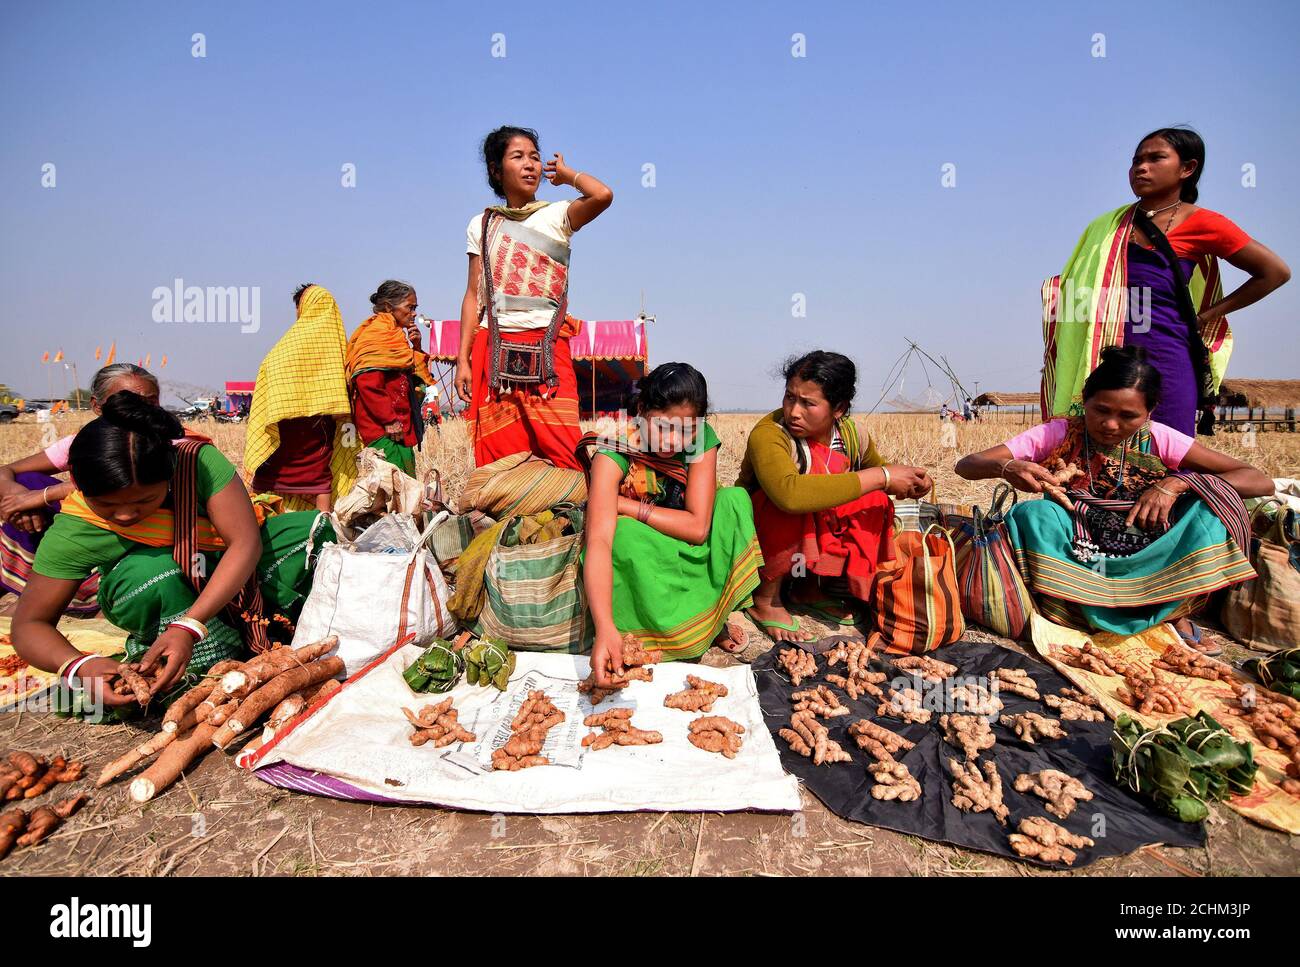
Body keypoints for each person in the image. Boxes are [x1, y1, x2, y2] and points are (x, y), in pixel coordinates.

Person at [11, 393, 333, 704]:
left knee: (314, 532)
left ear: (171, 476)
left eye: (144, 500)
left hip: (224, 574)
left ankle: (281, 628)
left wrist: (190, 624)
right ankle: (187, 665)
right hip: (158, 584)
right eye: (106, 505)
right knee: (159, 570)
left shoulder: (197, 464)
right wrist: (77, 665)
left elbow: (245, 543)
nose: (125, 515)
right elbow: (29, 625)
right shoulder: (76, 528)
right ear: (78, 486)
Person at [957, 346, 1272, 654]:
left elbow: (1260, 480)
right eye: (1101, 410)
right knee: (1032, 514)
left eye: (1128, 416)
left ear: (1149, 412)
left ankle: (1170, 610)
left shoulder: (1159, 438)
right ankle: (1076, 610)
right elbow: (967, 464)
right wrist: (1006, 465)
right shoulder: (1059, 433)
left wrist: (1176, 483)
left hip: (1151, 545)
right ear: (1085, 399)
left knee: (1209, 510)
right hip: (1080, 547)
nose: (1110, 425)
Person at [1042, 127, 1290, 437]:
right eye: (1136, 161)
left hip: (1165, 352)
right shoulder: (1106, 226)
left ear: (1187, 168)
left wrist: (1206, 316)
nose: (1141, 168)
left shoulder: (1203, 222)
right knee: (1093, 450)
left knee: (1166, 448)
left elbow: (1275, 272)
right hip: (1103, 356)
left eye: (1156, 158)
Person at [580, 363, 762, 682]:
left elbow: (697, 528)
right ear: (641, 411)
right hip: (645, 554)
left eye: (686, 430)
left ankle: (707, 622)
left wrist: (632, 507)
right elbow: (599, 541)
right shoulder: (615, 449)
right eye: (661, 427)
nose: (672, 442)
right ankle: (647, 633)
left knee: (734, 501)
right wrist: (604, 628)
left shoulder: (701, 439)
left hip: (686, 540)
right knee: (624, 536)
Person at [736, 351, 932, 642]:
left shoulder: (852, 436)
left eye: (808, 403)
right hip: (761, 529)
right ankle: (767, 599)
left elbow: (878, 474)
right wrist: (883, 476)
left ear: (838, 408)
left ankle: (809, 589)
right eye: (790, 397)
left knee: (874, 501)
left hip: (809, 535)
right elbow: (787, 495)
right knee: (794, 498)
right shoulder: (771, 434)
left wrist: (913, 481)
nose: (794, 411)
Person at [455, 126, 613, 470]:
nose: (530, 165)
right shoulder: (481, 224)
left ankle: (571, 514)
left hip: (547, 346)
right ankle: (505, 518)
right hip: (493, 348)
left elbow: (602, 195)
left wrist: (569, 176)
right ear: (496, 171)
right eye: (518, 157)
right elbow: (473, 295)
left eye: (535, 157)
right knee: (501, 456)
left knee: (564, 451)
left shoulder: (557, 215)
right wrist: (463, 358)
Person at [0, 363, 160, 614]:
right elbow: (4, 472)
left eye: (150, 402)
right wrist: (19, 496)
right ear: (97, 406)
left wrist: (45, 495)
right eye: (126, 401)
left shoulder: (168, 443)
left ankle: (82, 596)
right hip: (87, 531)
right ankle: (33, 590)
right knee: (27, 482)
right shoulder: (82, 442)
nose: (138, 411)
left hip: (140, 541)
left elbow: (129, 494)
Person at [245, 283, 358, 512]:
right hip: (318, 427)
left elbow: (269, 373)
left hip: (284, 427)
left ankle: (257, 519)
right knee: (319, 477)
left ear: (303, 307)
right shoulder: (338, 347)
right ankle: (324, 526)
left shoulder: (286, 347)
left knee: (266, 475)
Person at [345, 280, 434, 478]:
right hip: (381, 426)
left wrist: (416, 347)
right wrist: (389, 420)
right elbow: (367, 382)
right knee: (391, 482)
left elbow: (414, 377)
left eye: (415, 308)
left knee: (406, 481)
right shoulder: (376, 334)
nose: (413, 313)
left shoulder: (396, 335)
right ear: (388, 307)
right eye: (409, 307)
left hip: (400, 424)